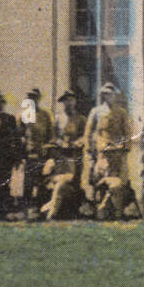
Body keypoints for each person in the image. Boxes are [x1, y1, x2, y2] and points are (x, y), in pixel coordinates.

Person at [84, 83, 136, 220]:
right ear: (102, 96)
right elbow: (88, 133)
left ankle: (116, 210)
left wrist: (125, 149)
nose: (108, 97)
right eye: (106, 94)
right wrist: (89, 152)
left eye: (111, 94)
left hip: (117, 154)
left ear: (115, 96)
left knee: (118, 182)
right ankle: (100, 208)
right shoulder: (96, 112)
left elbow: (129, 134)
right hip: (101, 154)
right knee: (98, 179)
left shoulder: (122, 112)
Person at [42, 90, 86, 220]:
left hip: (75, 156)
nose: (69, 103)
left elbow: (85, 136)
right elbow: (53, 137)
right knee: (60, 181)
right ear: (63, 102)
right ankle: (53, 210)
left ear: (75, 101)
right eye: (66, 100)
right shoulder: (58, 119)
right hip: (61, 156)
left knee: (74, 182)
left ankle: (71, 210)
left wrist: (77, 143)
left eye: (71, 100)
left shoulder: (81, 119)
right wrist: (61, 143)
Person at [20, 88, 54, 216]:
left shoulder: (45, 115)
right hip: (29, 155)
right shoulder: (24, 115)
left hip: (42, 154)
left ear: (39, 98)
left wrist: (47, 149)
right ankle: (26, 211)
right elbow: (20, 135)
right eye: (30, 97)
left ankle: (41, 209)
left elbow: (51, 135)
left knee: (42, 183)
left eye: (34, 97)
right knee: (28, 183)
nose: (32, 99)